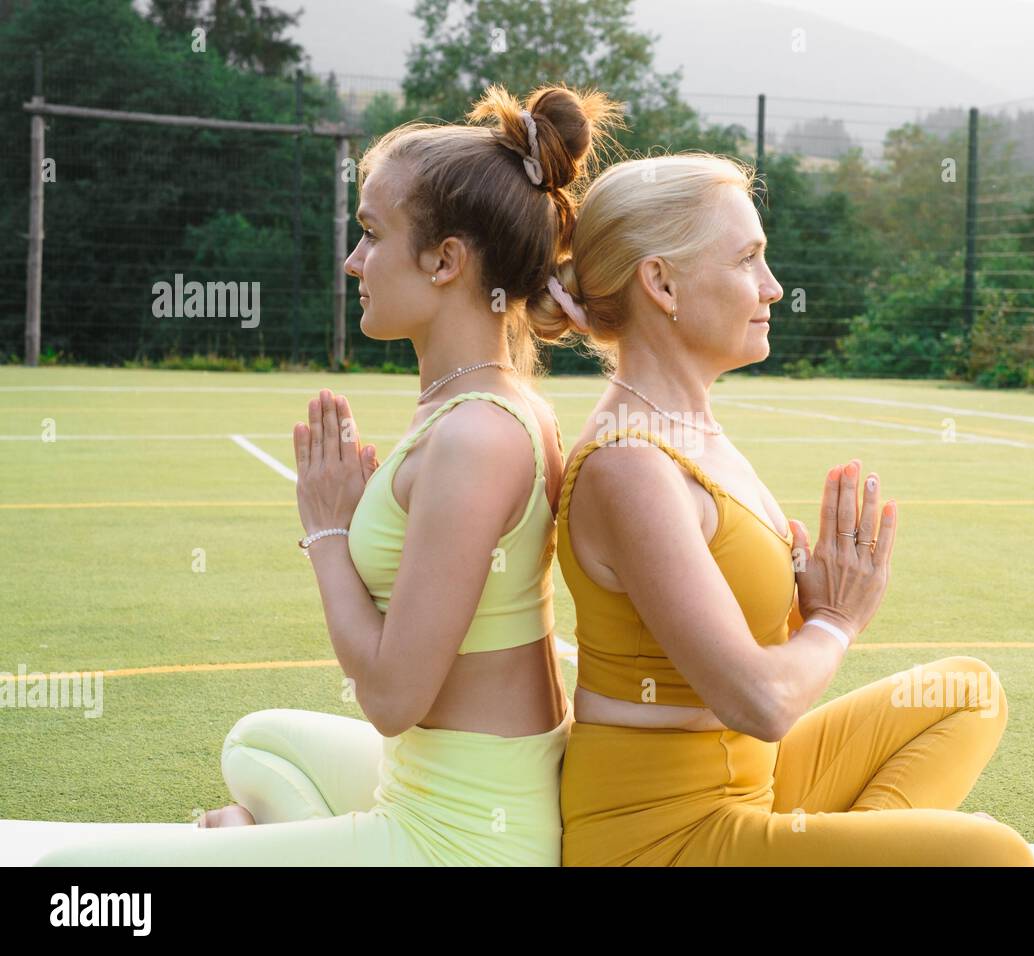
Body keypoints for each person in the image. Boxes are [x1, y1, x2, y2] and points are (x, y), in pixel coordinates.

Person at [34, 82, 623, 866]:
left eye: (372, 235)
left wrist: (326, 530)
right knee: (257, 744)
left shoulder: (476, 437)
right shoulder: (484, 403)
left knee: (70, 879)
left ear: (447, 260)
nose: (353, 262)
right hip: (456, 789)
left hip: (465, 839)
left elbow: (389, 698)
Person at [534, 152, 1034, 866]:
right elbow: (762, 703)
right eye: (747, 260)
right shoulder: (629, 465)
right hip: (662, 839)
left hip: (752, 789)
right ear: (662, 282)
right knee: (993, 855)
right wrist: (833, 622)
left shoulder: (686, 424)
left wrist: (800, 606)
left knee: (967, 693)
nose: (771, 288)